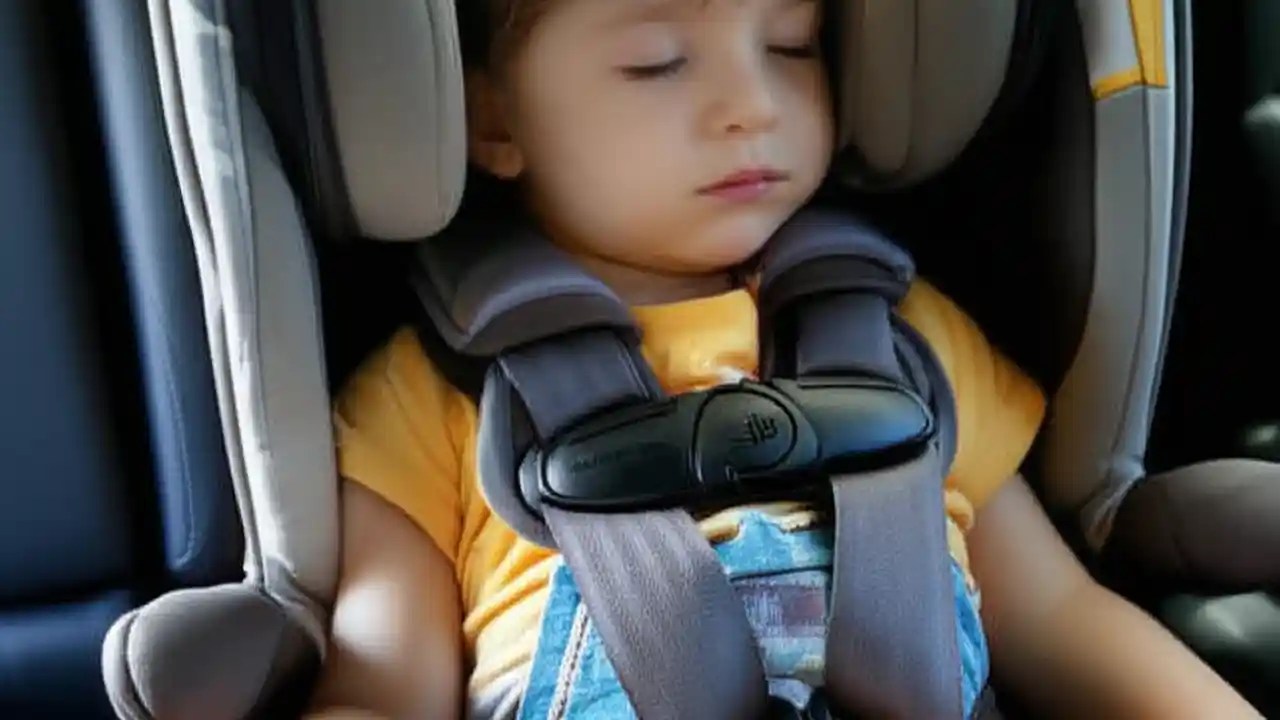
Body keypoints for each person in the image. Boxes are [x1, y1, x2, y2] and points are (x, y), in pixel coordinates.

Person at [306, 1, 1260, 717]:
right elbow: (382, 685)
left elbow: (1056, 617)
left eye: (793, 44)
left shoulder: (903, 337)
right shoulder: (427, 391)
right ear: (494, 122)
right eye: (657, 62)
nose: (752, 106)